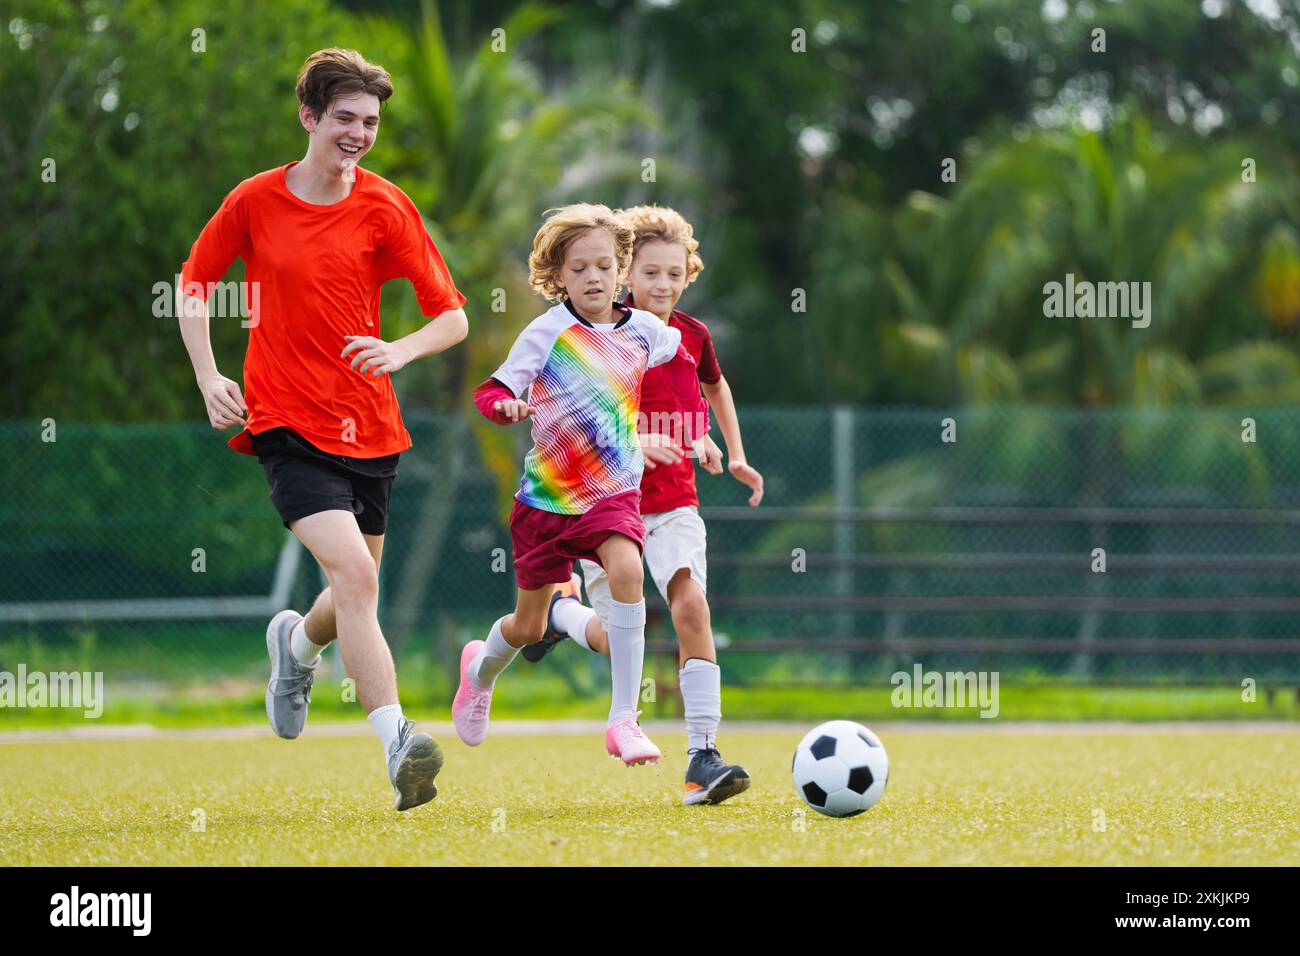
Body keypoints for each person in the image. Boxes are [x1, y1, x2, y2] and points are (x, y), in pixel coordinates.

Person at [177, 48, 467, 811]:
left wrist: (399, 350)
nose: (359, 133)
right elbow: (194, 283)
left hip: (372, 428)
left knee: (350, 591)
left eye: (370, 121)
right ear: (309, 116)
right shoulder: (254, 201)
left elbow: (453, 314)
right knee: (361, 579)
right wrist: (210, 375)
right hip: (285, 422)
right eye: (344, 118)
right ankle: (399, 741)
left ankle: (296, 647)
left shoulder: (385, 205)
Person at [454, 203, 710, 766]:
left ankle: (623, 721)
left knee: (626, 570)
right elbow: (489, 392)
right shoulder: (547, 332)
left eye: (603, 265)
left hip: (611, 495)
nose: (592, 277)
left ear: (621, 270)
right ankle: (479, 669)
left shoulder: (646, 331)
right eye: (577, 269)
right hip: (545, 503)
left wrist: (696, 426)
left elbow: (685, 363)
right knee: (528, 625)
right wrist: (507, 408)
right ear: (558, 276)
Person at [525, 205, 764, 806]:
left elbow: (711, 387)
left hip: (677, 504)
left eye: (674, 274)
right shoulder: (596, 338)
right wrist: (643, 439)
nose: (662, 285)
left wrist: (727, 449)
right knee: (614, 635)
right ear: (627, 274)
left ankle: (702, 757)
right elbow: (577, 418)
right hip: (607, 506)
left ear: (688, 275)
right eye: (650, 273)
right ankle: (562, 618)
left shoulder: (691, 335)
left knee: (692, 607)